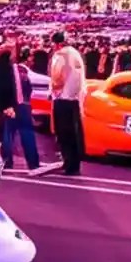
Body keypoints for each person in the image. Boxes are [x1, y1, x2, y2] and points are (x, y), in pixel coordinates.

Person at [0, 36, 42, 173]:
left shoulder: (1, 69)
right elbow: (26, 88)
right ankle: (33, 163)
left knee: (8, 135)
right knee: (25, 134)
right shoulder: (18, 69)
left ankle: (7, 162)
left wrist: (3, 105)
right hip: (21, 105)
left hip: (12, 105)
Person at [49, 31, 86, 176]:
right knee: (74, 133)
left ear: (56, 43)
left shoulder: (60, 55)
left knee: (64, 134)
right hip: (75, 99)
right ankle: (74, 164)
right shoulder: (75, 53)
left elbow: (57, 78)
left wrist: (54, 92)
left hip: (62, 99)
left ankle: (68, 163)